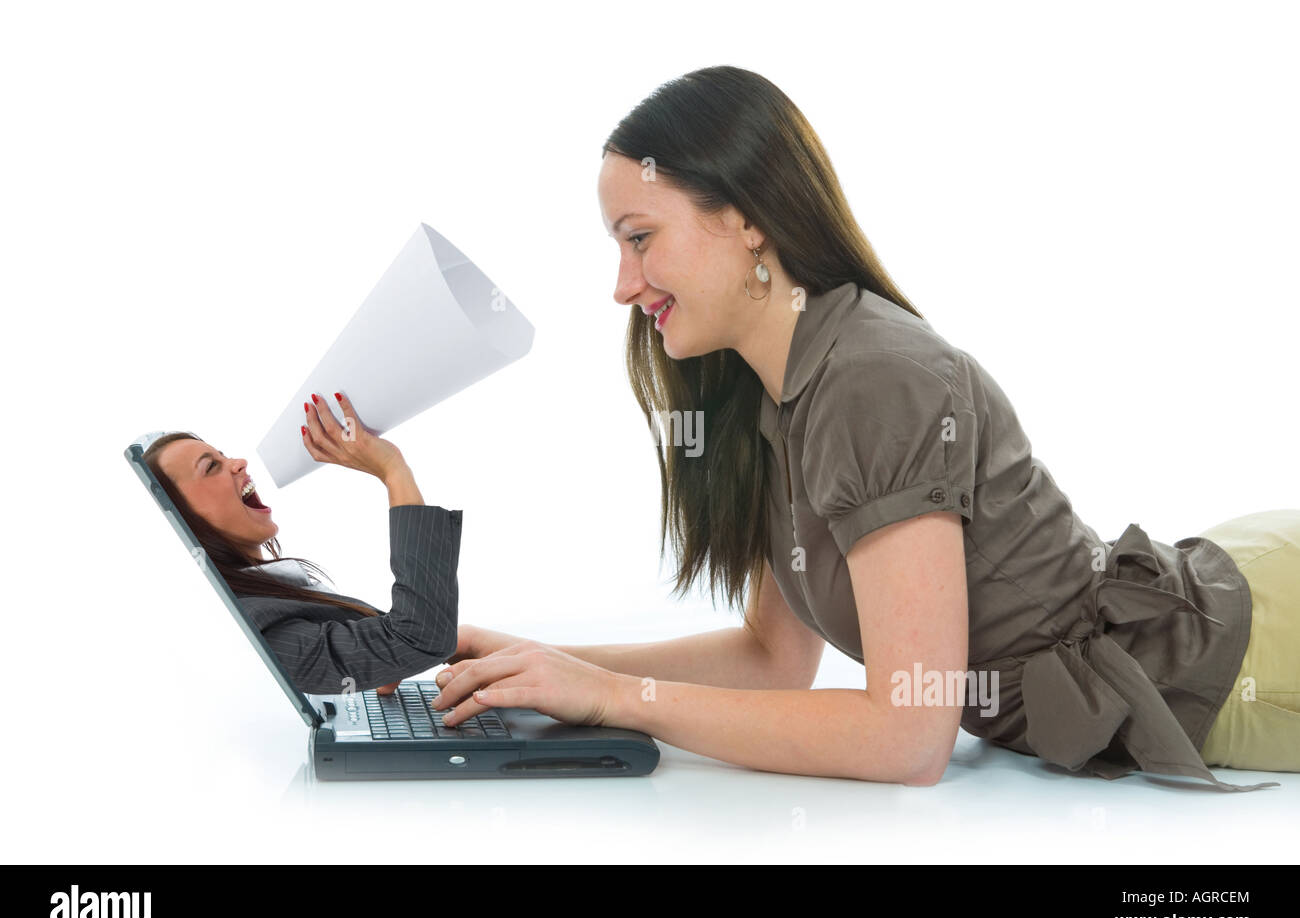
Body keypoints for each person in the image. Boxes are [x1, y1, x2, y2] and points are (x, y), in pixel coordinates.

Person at [430, 65, 1298, 791]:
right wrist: (541, 667)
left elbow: (907, 736)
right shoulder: (772, 390)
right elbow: (774, 658)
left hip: (1251, 644)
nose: (622, 284)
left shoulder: (872, 377)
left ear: (746, 220)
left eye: (640, 237)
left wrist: (618, 700)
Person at [143, 390, 462, 696]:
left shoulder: (269, 593)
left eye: (223, 455)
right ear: (178, 521)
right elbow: (420, 637)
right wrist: (394, 470)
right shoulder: (260, 625)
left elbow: (403, 641)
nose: (239, 462)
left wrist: (462, 643)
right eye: (211, 466)